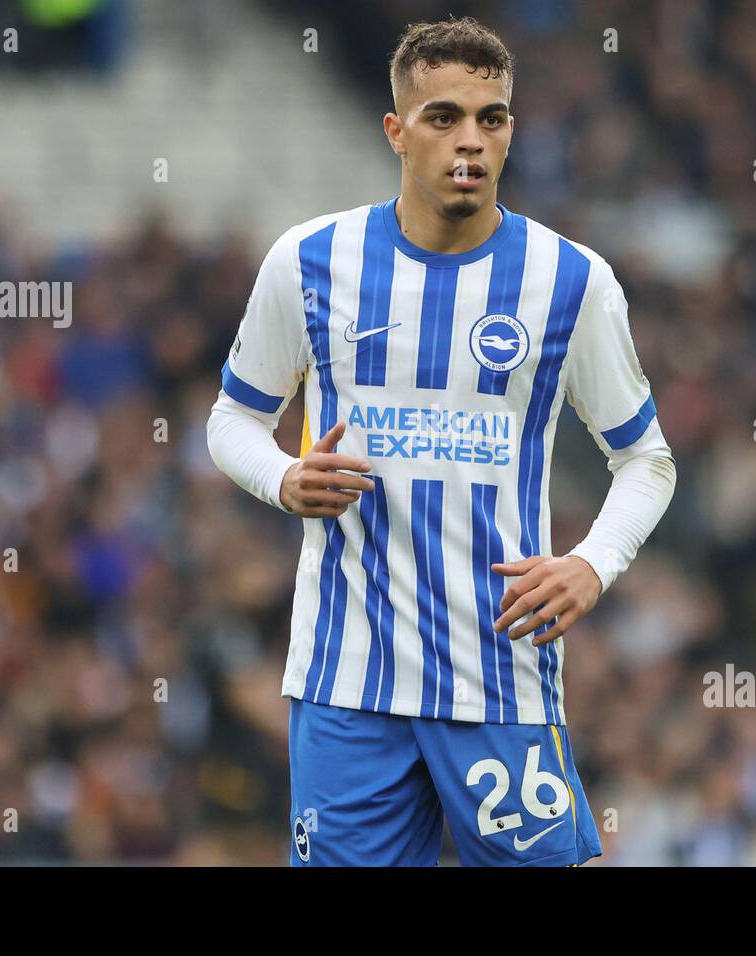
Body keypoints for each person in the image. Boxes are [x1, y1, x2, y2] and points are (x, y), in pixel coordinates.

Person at [206, 16, 676, 866]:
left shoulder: (571, 281)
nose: (470, 140)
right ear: (396, 130)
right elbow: (232, 420)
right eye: (443, 116)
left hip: (498, 672)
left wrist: (592, 563)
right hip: (349, 680)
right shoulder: (309, 262)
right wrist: (282, 478)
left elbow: (645, 458)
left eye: (491, 118)